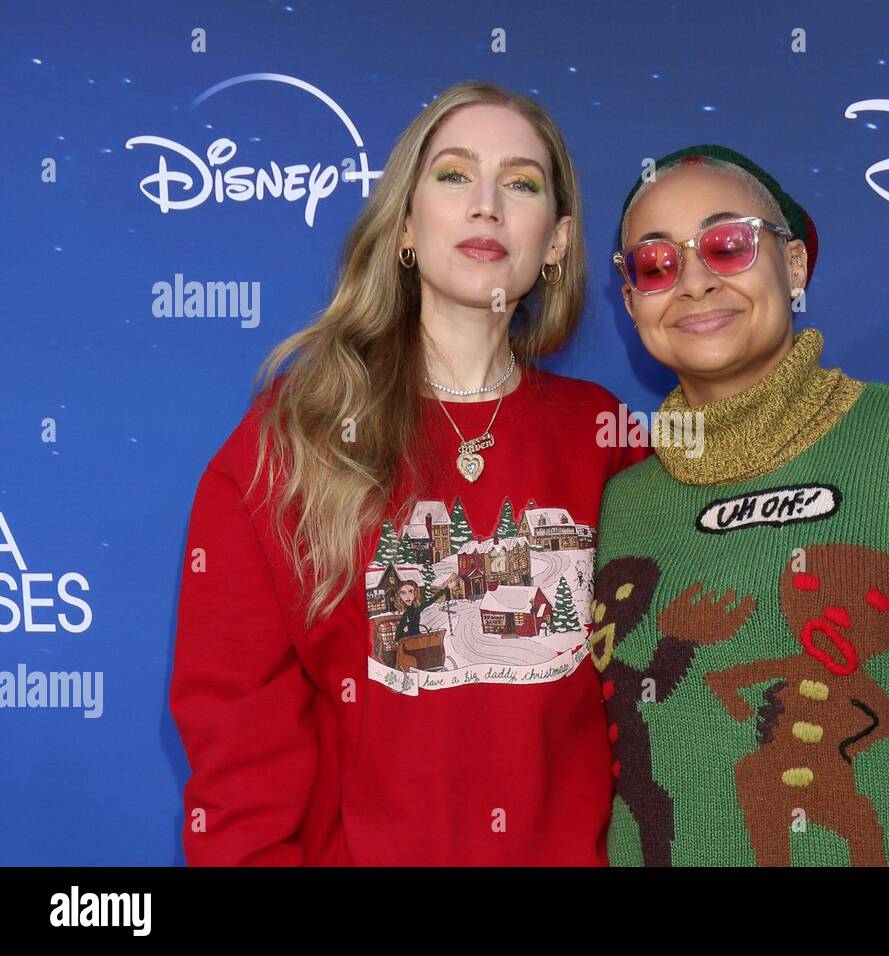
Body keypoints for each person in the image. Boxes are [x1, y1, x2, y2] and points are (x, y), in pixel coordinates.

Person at [169, 81, 648, 866]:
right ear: (403, 226)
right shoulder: (294, 440)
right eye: (455, 174)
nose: (486, 204)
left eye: (521, 183)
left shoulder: (607, 438)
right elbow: (236, 745)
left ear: (556, 243)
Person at [590, 144, 889, 866]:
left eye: (726, 245)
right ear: (631, 303)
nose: (692, 282)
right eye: (656, 264)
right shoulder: (622, 502)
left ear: (797, 265)